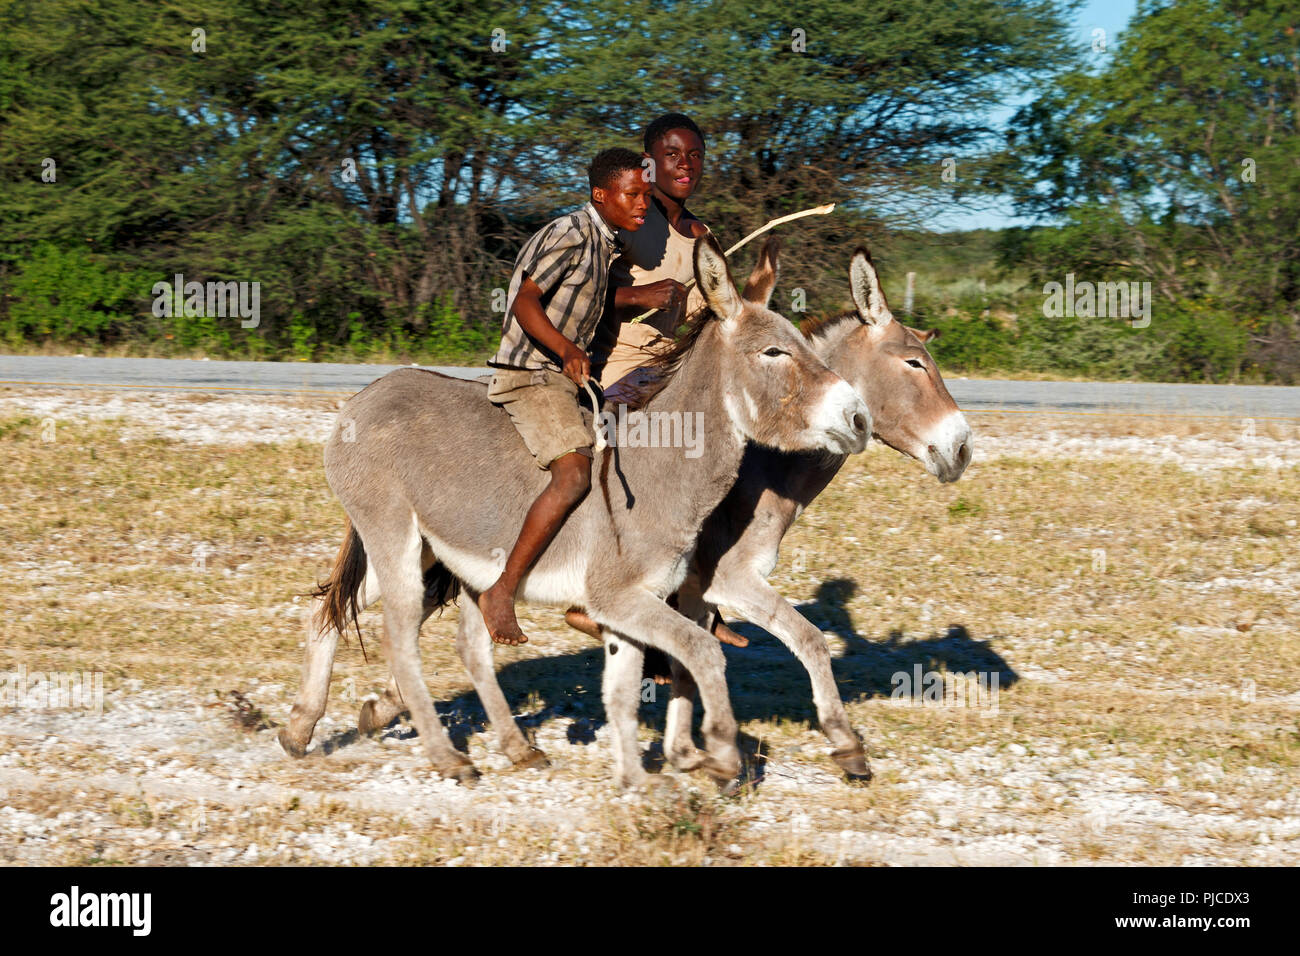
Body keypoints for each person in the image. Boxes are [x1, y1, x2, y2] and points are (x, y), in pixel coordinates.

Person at [568, 114, 749, 658]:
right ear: (647, 163)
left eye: (695, 155)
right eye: (672, 155)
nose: (685, 165)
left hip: (676, 375)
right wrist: (639, 299)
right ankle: (594, 598)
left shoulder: (703, 236)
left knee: (726, 461)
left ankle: (695, 604)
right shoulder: (628, 221)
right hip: (621, 370)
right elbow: (579, 292)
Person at [479, 148, 651, 646]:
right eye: (634, 194)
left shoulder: (606, 244)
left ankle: (593, 595)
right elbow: (525, 300)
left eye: (645, 193)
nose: (643, 203)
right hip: (532, 374)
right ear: (602, 194)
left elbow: (590, 295)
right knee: (575, 472)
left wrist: (649, 295)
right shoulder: (570, 232)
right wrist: (567, 350)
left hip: (568, 379)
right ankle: (502, 591)